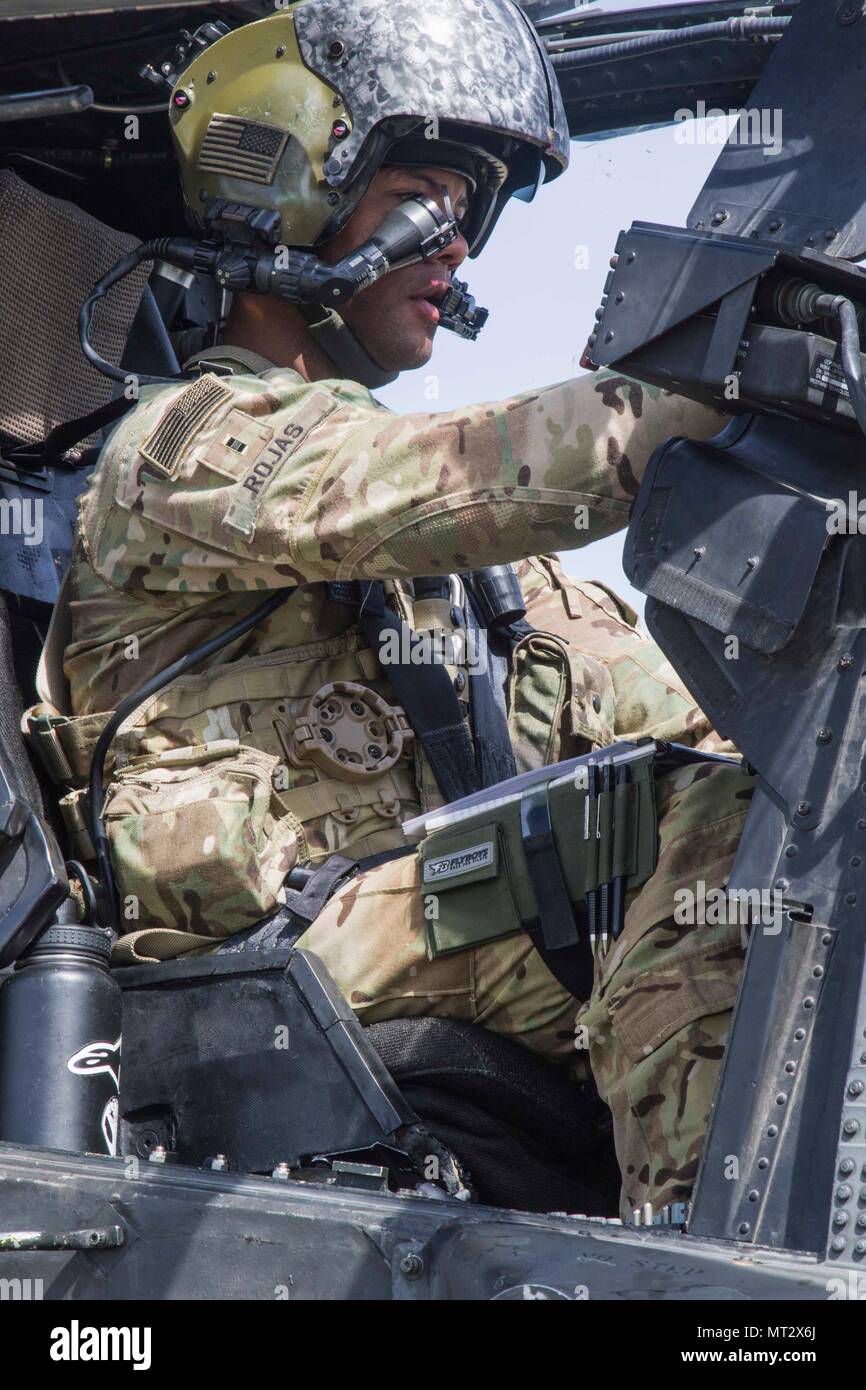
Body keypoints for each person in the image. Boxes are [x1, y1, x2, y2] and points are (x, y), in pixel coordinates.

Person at [37, 0, 753, 1216]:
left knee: (775, 815)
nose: (455, 247)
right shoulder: (180, 455)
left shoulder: (465, 575)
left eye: (469, 217)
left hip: (422, 932)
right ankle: (722, 1264)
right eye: (424, 198)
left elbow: (669, 717)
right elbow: (485, 475)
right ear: (288, 189)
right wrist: (741, 365)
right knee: (700, 852)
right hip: (264, 986)